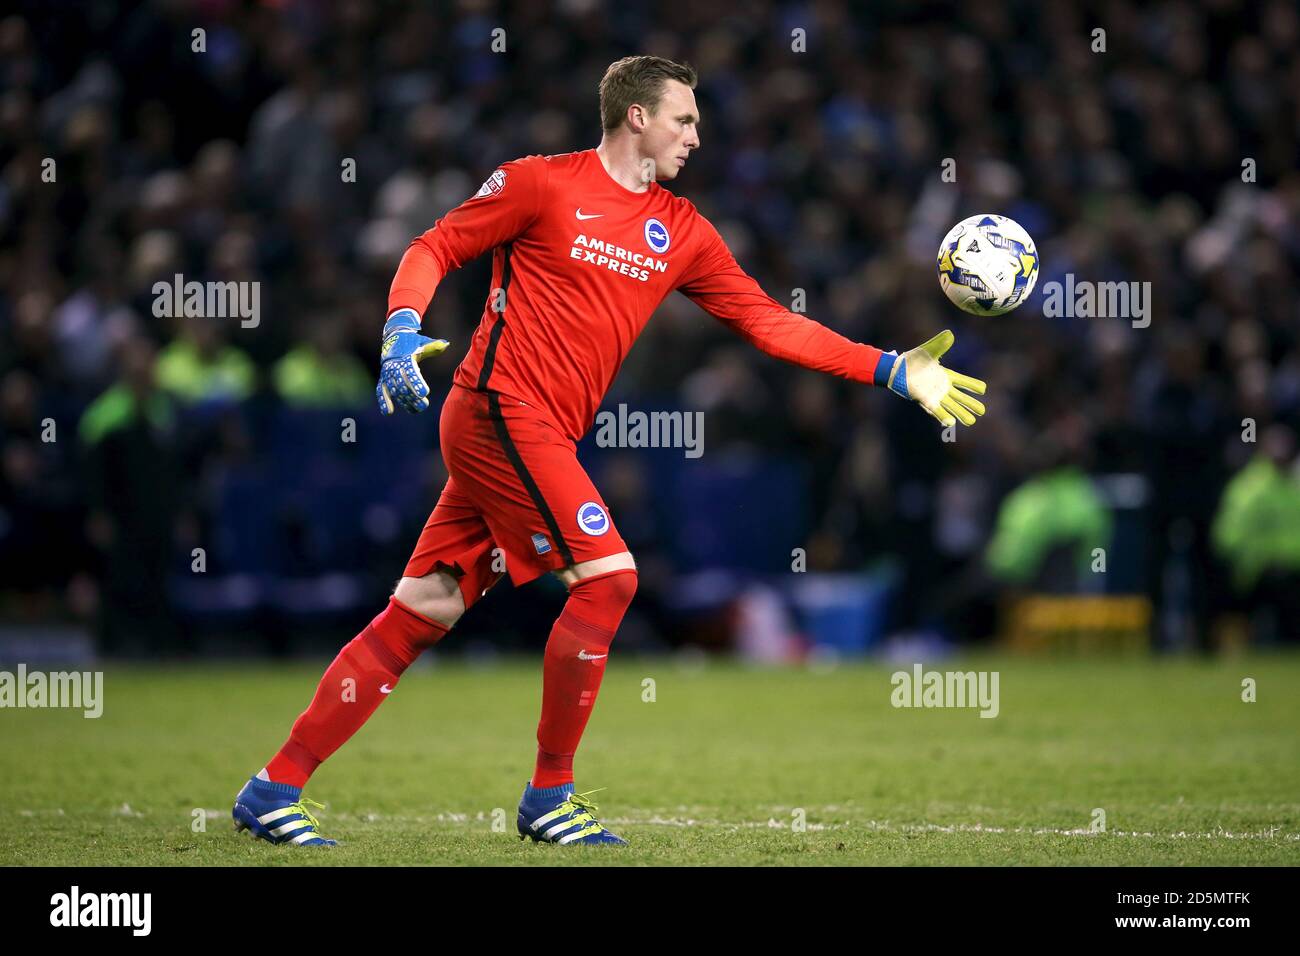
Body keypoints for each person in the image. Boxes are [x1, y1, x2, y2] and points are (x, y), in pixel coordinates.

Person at [232, 55, 987, 847]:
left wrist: (892, 368)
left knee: (425, 608)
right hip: (497, 409)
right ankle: (549, 795)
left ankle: (273, 786)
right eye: (684, 120)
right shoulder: (540, 183)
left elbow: (769, 322)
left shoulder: (684, 231)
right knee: (610, 579)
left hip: (539, 432)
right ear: (636, 116)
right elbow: (433, 247)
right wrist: (400, 331)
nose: (697, 136)